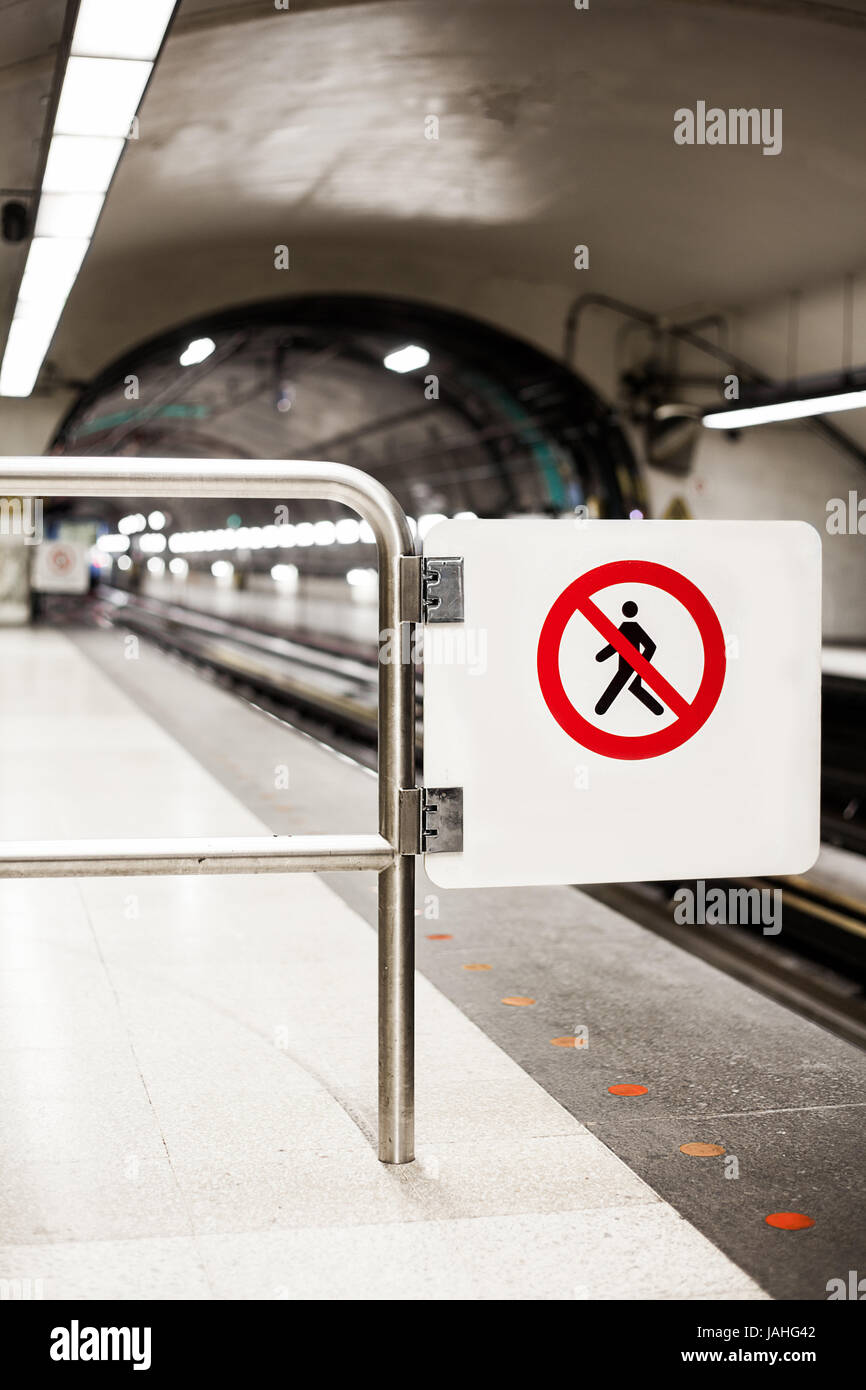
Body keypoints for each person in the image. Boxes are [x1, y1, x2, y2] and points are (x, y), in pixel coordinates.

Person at [595, 600, 664, 716]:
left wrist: (601, 656)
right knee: (635, 687)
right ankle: (659, 710)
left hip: (627, 668)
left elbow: (613, 646)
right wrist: (642, 663)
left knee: (618, 687)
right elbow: (650, 647)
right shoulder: (633, 628)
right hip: (631, 667)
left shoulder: (627, 628)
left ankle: (600, 710)